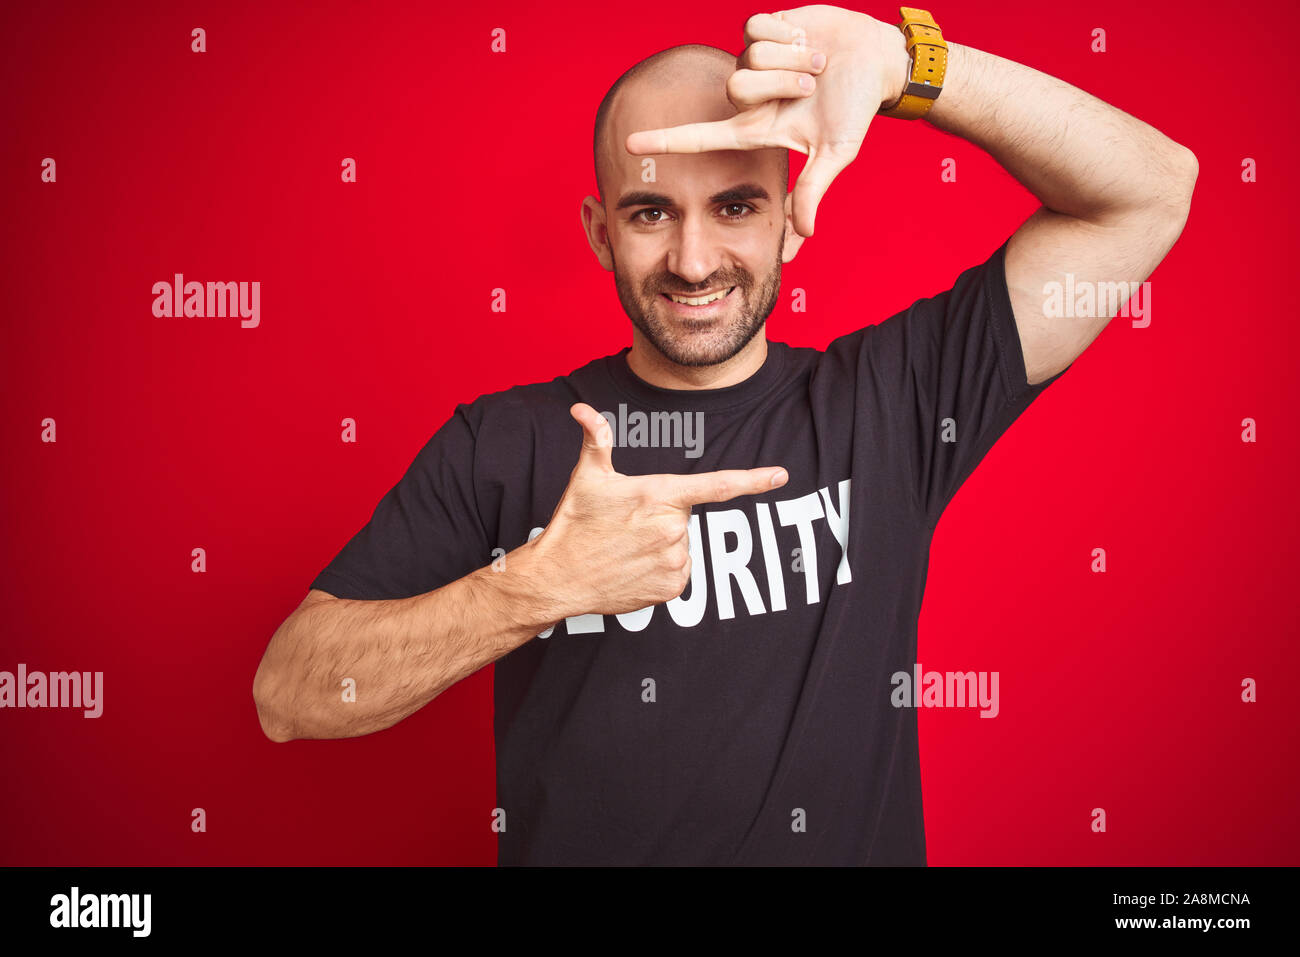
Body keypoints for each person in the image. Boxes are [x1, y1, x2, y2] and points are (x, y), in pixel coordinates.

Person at [252, 5, 1196, 865]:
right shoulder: (503, 442)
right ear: (597, 232)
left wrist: (913, 65)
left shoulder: (895, 399)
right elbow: (288, 696)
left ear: (790, 218)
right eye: (651, 211)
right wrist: (536, 586)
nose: (694, 260)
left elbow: (1152, 190)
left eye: (736, 206)